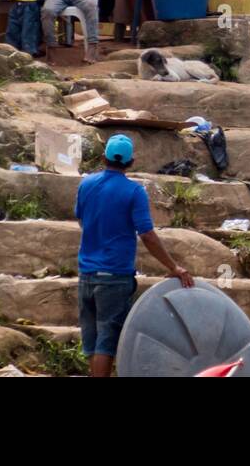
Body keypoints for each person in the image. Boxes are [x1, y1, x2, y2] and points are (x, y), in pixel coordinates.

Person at [76, 134, 194, 378]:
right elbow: (148, 235)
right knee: (106, 343)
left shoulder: (86, 185)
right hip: (114, 277)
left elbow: (82, 219)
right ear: (131, 162)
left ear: (103, 158)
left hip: (86, 274)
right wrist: (173, 267)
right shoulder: (134, 192)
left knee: (92, 341)